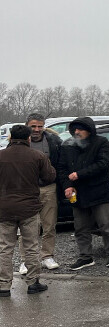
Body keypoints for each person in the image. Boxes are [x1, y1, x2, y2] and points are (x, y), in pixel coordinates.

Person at [0, 125, 56, 296]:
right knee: (31, 246)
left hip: (4, 209)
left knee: (4, 248)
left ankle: (3, 286)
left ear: (10, 137)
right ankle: (33, 283)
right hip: (29, 208)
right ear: (29, 138)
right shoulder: (37, 156)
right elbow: (50, 176)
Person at [58, 117, 109, 270]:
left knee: (105, 225)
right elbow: (62, 169)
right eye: (75, 130)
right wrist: (67, 186)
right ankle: (85, 257)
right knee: (80, 227)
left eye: (80, 129)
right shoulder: (68, 146)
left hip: (99, 191)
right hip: (78, 194)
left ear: (90, 130)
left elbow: (103, 164)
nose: (77, 132)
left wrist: (80, 174)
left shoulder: (101, 143)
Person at [25, 113, 61, 271]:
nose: (37, 129)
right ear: (27, 126)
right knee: (27, 226)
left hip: (48, 188)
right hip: (27, 189)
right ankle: (27, 260)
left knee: (49, 224)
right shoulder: (19, 142)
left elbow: (60, 163)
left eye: (40, 126)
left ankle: (47, 256)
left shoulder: (53, 141)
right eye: (33, 126)